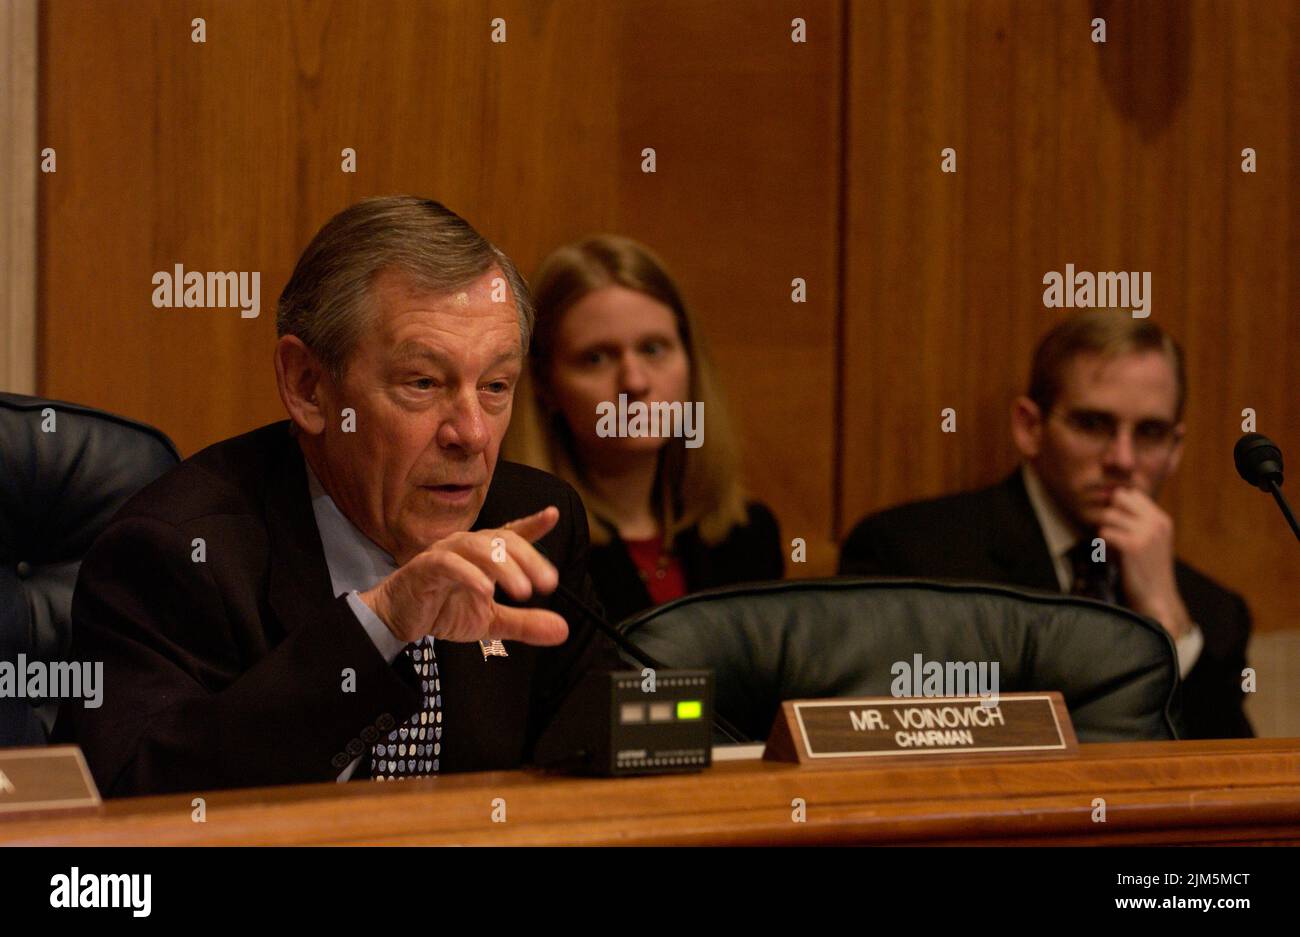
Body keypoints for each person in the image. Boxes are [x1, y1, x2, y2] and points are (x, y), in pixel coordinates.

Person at [53, 196, 623, 796]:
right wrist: (379, 627)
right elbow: (137, 805)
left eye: (495, 386)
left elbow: (611, 753)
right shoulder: (180, 553)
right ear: (308, 388)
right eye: (423, 383)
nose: (473, 434)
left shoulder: (534, 530)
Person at [839, 311, 1252, 739]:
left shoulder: (1211, 614)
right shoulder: (911, 557)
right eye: (1093, 424)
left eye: (1149, 432)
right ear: (1029, 428)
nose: (1123, 460)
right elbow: (870, 737)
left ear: (1175, 449)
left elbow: (1237, 787)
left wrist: (1170, 630)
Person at [505, 235, 783, 625]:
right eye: (596, 358)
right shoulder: (524, 544)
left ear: (690, 361)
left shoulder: (747, 536)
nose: (634, 382)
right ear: (544, 385)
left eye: (653, 349)